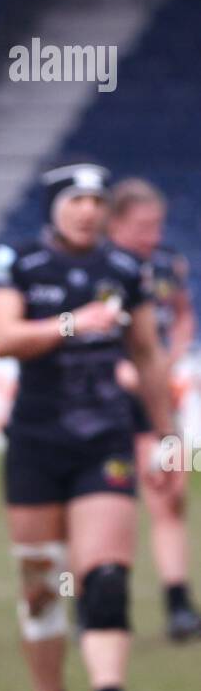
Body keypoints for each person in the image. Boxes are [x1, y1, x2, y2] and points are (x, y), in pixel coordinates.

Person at [0, 161, 180, 691]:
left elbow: (147, 356)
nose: (89, 211)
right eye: (76, 200)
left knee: (107, 578)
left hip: (106, 440)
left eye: (96, 201)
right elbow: (2, 337)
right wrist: (74, 322)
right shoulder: (17, 262)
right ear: (53, 207)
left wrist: (167, 439)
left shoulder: (125, 269)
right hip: (37, 443)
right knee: (43, 586)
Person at [107, 178, 201, 640]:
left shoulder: (168, 264)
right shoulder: (104, 268)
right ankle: (100, 601)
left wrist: (175, 350)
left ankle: (179, 603)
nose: (153, 233)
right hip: (112, 403)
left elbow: (183, 312)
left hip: (161, 399)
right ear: (117, 223)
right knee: (116, 500)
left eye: (158, 223)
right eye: (144, 225)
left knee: (173, 492)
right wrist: (125, 368)